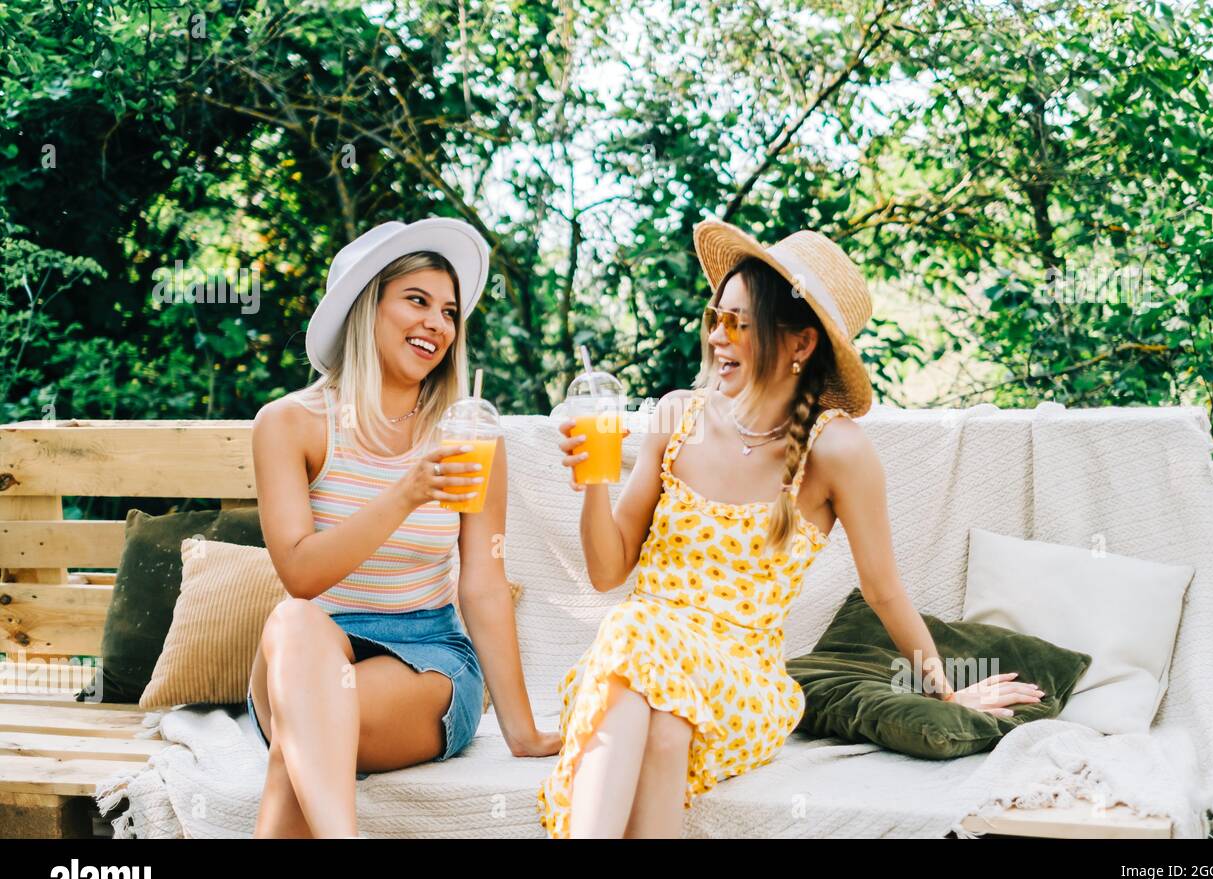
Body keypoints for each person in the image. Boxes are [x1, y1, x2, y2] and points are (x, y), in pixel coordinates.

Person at [538, 219, 1044, 839]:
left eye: (739, 323)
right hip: (630, 675)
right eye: (714, 318)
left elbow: (884, 591)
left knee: (637, 634)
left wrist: (945, 692)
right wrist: (593, 481)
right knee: (664, 728)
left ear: (800, 343)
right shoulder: (676, 416)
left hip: (739, 685)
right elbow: (606, 572)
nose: (718, 338)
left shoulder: (837, 451)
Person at [247, 218, 559, 839]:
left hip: (427, 660)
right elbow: (301, 575)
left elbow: (484, 587)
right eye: (416, 301)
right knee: (292, 622)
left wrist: (520, 730)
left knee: (303, 736)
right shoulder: (290, 424)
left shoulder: (469, 438)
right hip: (307, 649)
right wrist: (406, 493)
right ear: (367, 310)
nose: (437, 324)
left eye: (448, 311)